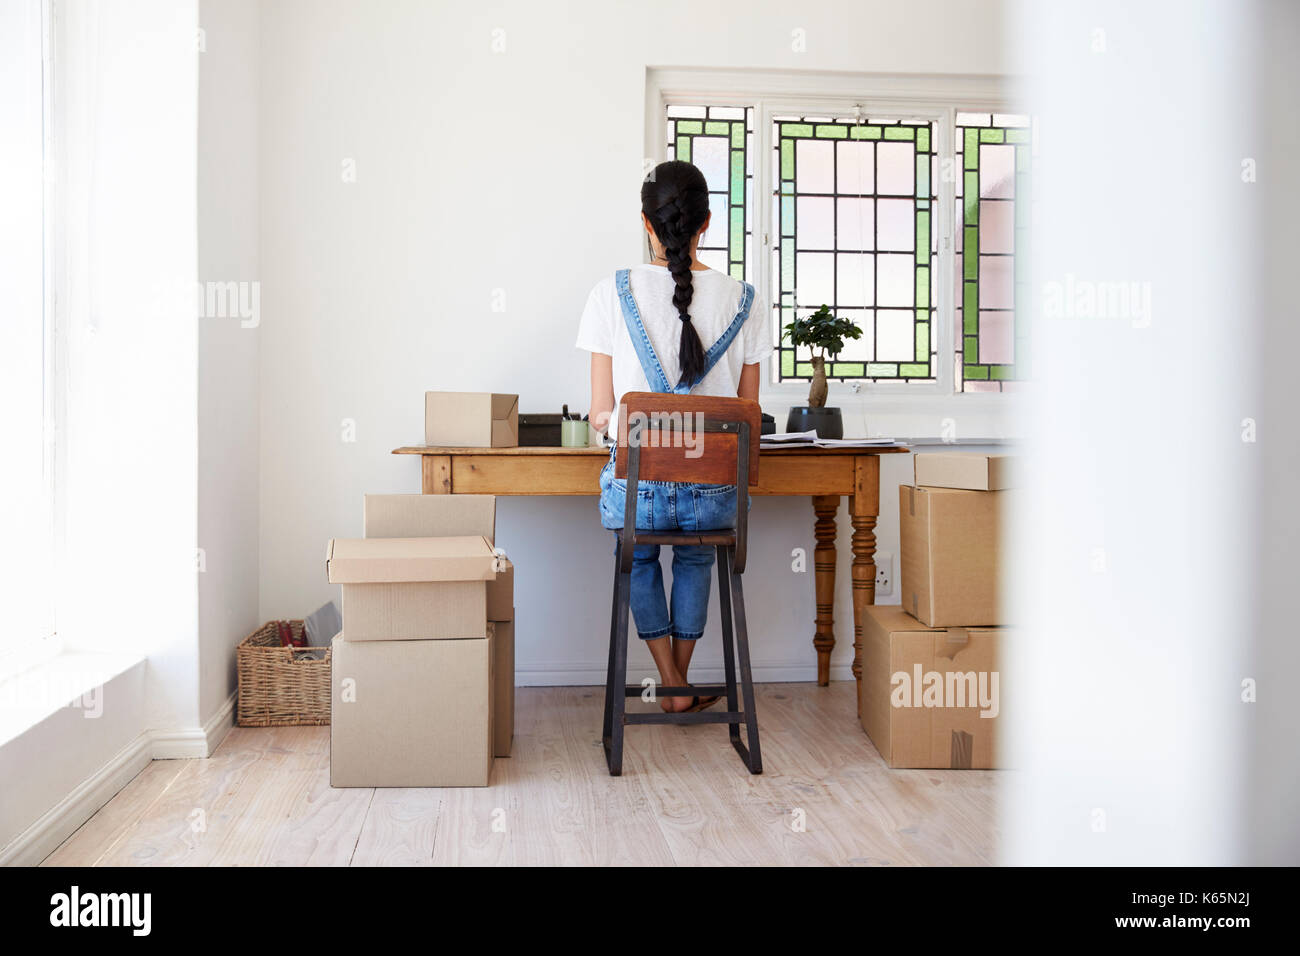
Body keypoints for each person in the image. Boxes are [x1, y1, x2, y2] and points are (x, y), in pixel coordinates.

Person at [575, 160, 771, 714]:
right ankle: (677, 684)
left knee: (635, 557)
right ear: (706, 222)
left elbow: (600, 413)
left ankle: (670, 680)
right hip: (714, 494)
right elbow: (748, 414)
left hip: (638, 490)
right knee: (695, 558)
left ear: (646, 222)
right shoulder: (745, 299)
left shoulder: (611, 293)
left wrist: (622, 424)